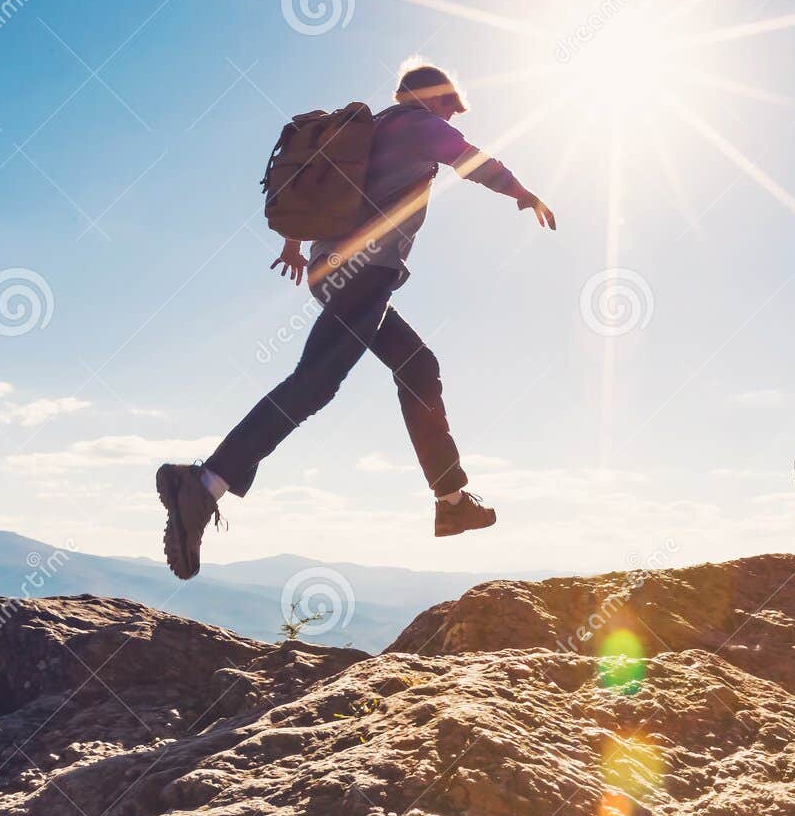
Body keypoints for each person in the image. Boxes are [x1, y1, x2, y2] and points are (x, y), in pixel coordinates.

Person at [157, 60, 556, 580]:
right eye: (448, 105)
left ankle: (452, 499)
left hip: (340, 269)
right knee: (315, 382)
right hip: (365, 271)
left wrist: (295, 246)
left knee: (416, 366)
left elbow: (309, 191)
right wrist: (521, 192)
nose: (452, 117)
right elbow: (470, 160)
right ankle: (205, 482)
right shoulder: (418, 126)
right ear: (429, 97)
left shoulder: (369, 131)